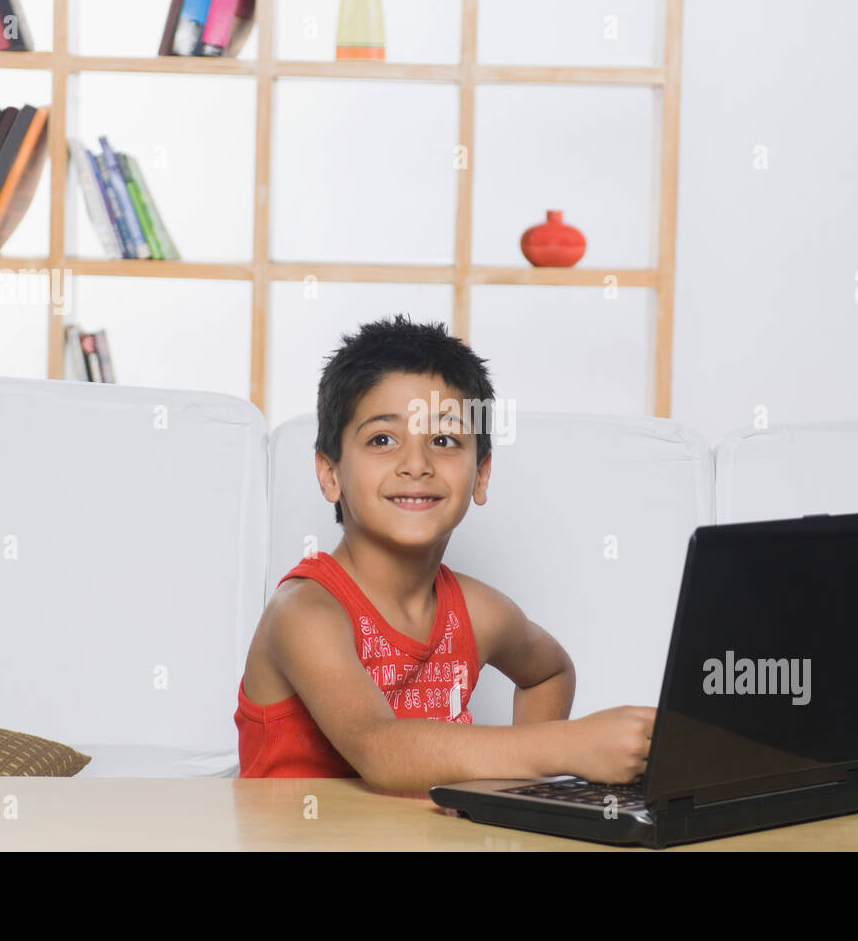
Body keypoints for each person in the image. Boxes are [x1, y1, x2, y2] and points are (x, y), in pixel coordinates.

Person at [235, 314, 655, 793]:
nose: (417, 464)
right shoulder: (305, 613)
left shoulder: (480, 613)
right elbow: (380, 749)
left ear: (480, 475)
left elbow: (548, 673)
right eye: (382, 440)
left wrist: (514, 797)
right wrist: (563, 746)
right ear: (330, 474)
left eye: (444, 440)